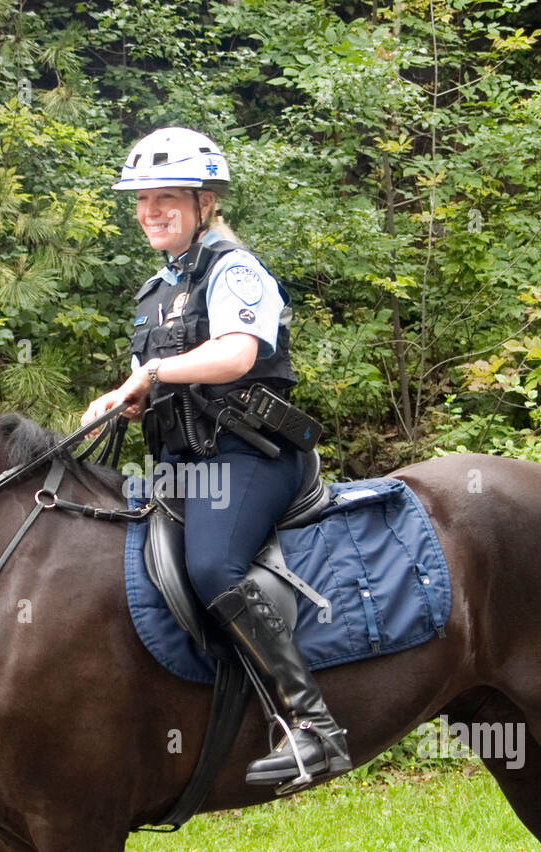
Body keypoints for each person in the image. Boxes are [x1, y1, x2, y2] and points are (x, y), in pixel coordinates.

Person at [81, 127, 352, 788]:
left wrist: (152, 375)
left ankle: (316, 728)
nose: (150, 211)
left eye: (167, 197)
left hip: (250, 455)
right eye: (142, 200)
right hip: (181, 462)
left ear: (205, 202)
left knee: (211, 564)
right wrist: (126, 402)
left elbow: (236, 354)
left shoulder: (233, 269)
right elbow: (163, 381)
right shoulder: (153, 292)